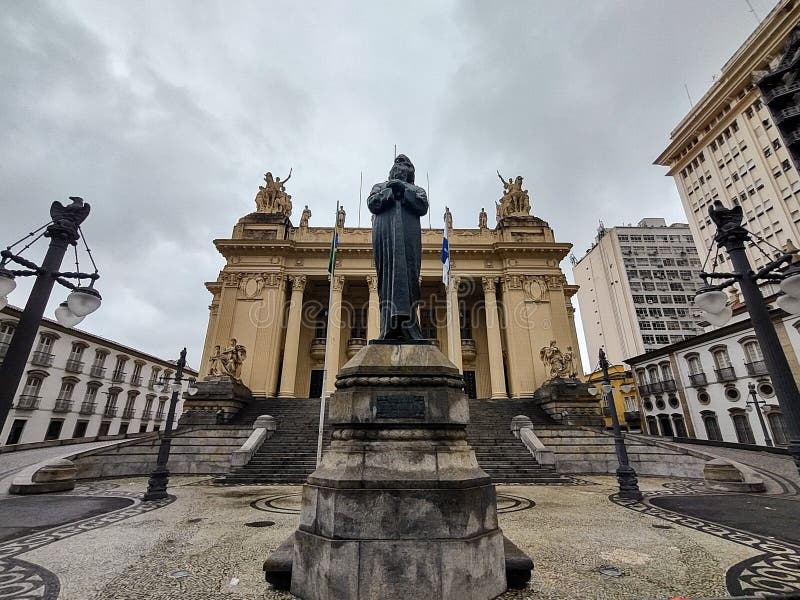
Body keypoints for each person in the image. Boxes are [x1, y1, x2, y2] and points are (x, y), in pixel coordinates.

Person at [367, 154, 429, 340]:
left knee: (409, 278)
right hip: (385, 238)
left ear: (410, 172)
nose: (400, 167)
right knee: (387, 279)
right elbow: (373, 203)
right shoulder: (380, 187)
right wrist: (391, 192)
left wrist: (404, 191)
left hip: (409, 239)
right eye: (397, 164)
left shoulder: (417, 189)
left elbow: (423, 206)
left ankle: (409, 328)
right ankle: (388, 328)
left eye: (404, 165)